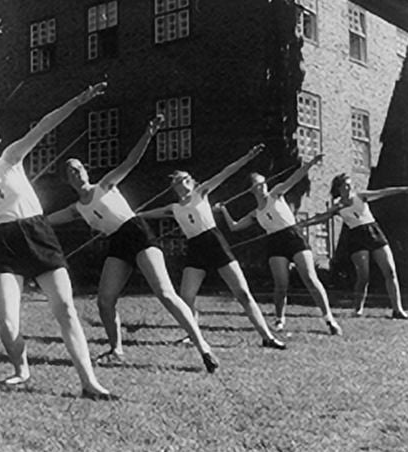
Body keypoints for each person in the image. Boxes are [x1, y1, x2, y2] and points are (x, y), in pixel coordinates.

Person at [0, 82, 114, 399]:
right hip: (5, 244)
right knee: (7, 322)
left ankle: (89, 382)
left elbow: (43, 127)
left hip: (37, 233)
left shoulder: (10, 159)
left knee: (66, 309)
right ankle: (21, 370)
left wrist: (78, 101)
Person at [45, 116, 220, 372]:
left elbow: (131, 161)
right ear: (66, 180)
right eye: (71, 171)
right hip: (117, 243)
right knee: (105, 300)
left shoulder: (105, 184)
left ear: (86, 171)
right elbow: (44, 221)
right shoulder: (76, 209)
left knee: (165, 293)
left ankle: (203, 347)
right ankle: (116, 350)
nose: (77, 172)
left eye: (79, 167)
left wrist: (148, 134)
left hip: (136, 232)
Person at [139, 144, 287, 350]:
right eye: (177, 181)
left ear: (191, 181)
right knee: (186, 297)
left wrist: (246, 158)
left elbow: (225, 173)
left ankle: (267, 337)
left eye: (184, 178)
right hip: (195, 249)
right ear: (174, 187)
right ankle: (193, 334)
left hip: (215, 243)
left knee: (243, 294)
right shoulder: (173, 208)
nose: (181, 182)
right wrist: (131, 217)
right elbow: (147, 214)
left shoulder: (202, 192)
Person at [217, 154, 343, 337]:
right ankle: (279, 320)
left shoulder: (275, 194)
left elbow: (293, 178)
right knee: (281, 284)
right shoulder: (255, 212)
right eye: (258, 184)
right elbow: (234, 227)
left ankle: (329, 319)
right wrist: (223, 210)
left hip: (293, 236)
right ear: (251, 189)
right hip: (275, 242)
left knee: (309, 278)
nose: (262, 186)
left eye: (263, 183)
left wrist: (309, 164)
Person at [328, 173, 408, 318]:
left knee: (390, 271)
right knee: (363, 276)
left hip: (374, 232)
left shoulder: (361, 196)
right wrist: (301, 224)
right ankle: (358, 309)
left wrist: (406, 190)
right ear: (338, 188)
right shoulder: (337, 206)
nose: (349, 187)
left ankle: (398, 310)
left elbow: (384, 192)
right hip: (356, 237)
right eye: (345, 185)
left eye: (350, 184)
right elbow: (322, 218)